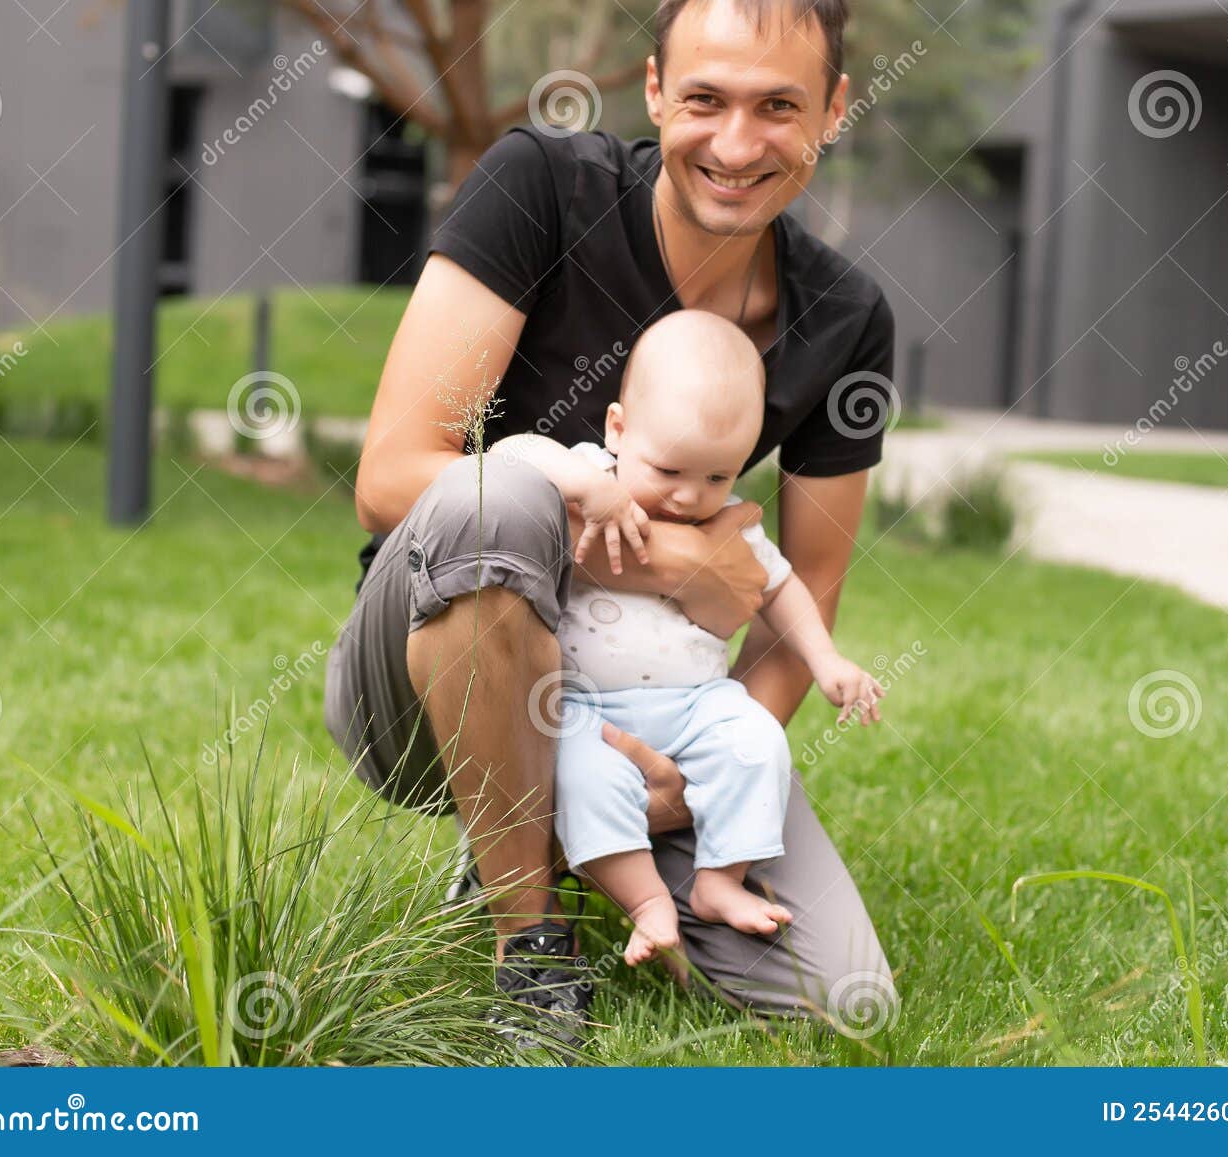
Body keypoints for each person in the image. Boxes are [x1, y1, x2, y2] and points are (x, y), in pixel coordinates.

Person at [323, 0, 897, 1031]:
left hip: (640, 712)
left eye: (778, 107)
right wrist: (685, 566)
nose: (735, 143)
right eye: (705, 99)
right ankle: (527, 940)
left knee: (836, 996)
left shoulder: (845, 320)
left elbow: (802, 594)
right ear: (651, 92)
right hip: (418, 686)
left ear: (835, 110)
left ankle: (594, 841)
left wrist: (687, 780)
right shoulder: (540, 188)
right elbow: (394, 476)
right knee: (495, 498)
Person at [495, 309, 884, 975]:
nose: (686, 496)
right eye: (670, 469)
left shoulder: (729, 524)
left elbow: (780, 585)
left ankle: (719, 879)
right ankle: (646, 900)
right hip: (586, 707)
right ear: (619, 428)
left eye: (715, 477)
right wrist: (588, 486)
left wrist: (826, 660)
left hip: (699, 701)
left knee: (759, 741)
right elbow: (505, 457)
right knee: (585, 777)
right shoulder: (591, 472)